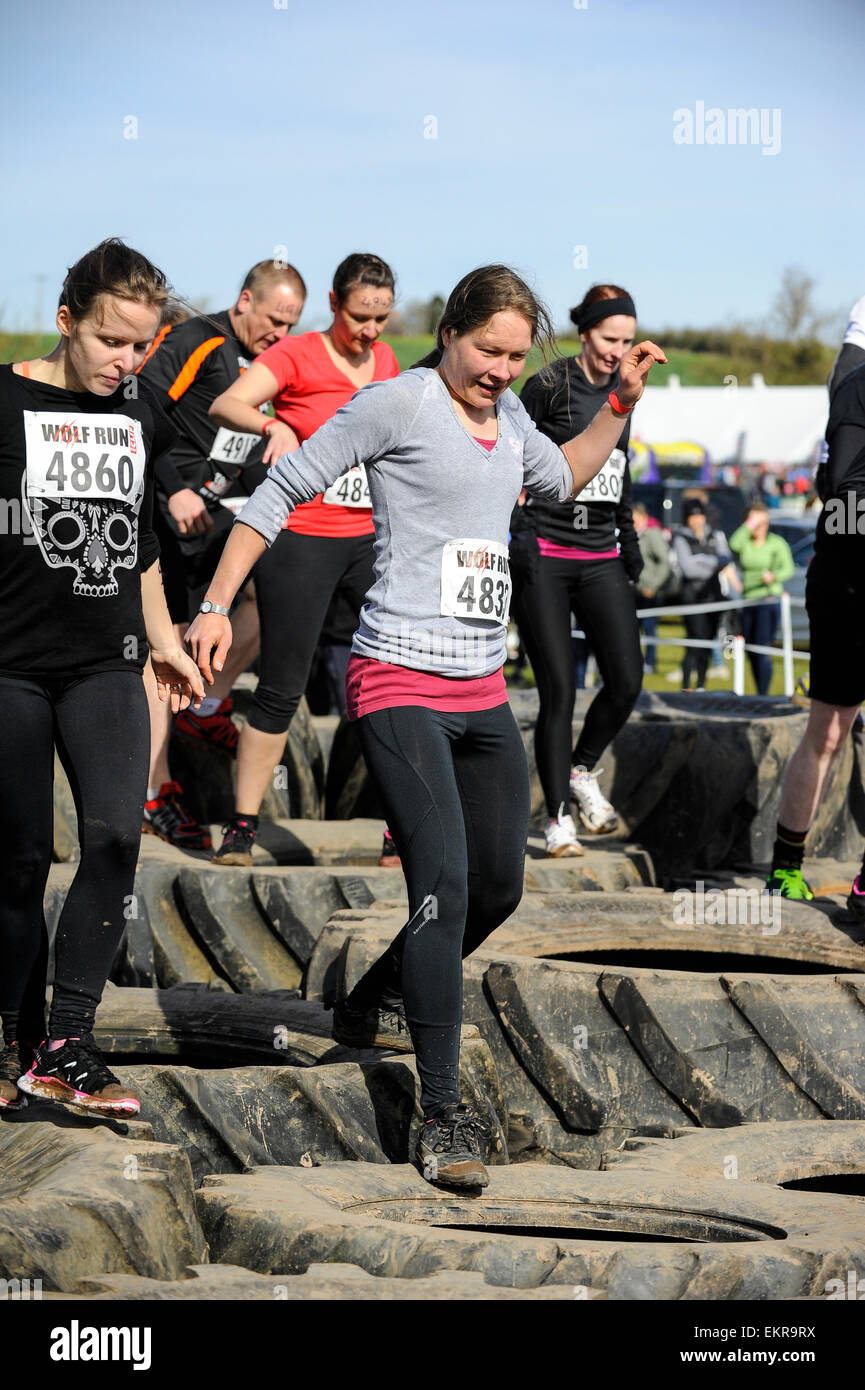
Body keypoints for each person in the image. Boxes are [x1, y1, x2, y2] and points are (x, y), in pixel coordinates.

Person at [185, 262, 666, 1188]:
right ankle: (439, 1115)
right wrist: (214, 603)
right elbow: (282, 490)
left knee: (498, 889)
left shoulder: (514, 416)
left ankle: (369, 999)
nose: (499, 369)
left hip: (481, 692)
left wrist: (618, 404)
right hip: (396, 679)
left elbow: (561, 479)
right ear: (448, 333)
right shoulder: (396, 405)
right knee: (440, 884)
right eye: (488, 351)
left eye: (516, 356)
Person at [0, 238, 204, 1115]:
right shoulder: (4, 396)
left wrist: (163, 639)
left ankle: (67, 1045)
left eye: (142, 346)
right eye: (111, 341)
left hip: (105, 662)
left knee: (117, 835)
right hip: (7, 667)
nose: (127, 361)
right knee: (15, 864)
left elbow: (143, 542)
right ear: (66, 320)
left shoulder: (136, 414)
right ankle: (11, 1040)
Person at [204, 253, 400, 868]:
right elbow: (227, 405)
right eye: (360, 317)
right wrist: (271, 427)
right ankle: (242, 826)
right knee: (283, 686)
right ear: (335, 306)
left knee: (396, 680)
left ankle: (400, 827)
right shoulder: (297, 355)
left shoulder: (388, 362)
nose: (370, 331)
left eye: (382, 318)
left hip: (370, 539)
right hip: (303, 538)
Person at [136, 260, 306, 850]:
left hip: (216, 518)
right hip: (165, 510)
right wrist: (172, 486)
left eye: (291, 325)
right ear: (245, 300)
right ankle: (155, 791)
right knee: (168, 642)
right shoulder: (199, 339)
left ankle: (205, 706)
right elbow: (139, 404)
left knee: (268, 599)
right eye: (274, 320)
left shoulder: (270, 361)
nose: (280, 334)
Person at [510, 284, 646, 856]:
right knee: (559, 690)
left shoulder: (626, 391)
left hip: (600, 555)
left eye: (627, 340)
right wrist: (515, 532)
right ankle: (557, 819)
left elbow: (617, 465)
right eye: (609, 338)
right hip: (545, 549)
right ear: (586, 333)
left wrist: (630, 534)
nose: (619, 350)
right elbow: (505, 446)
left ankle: (581, 770)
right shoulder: (548, 384)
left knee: (626, 679)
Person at [766, 360, 865, 904]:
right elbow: (849, 496)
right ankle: (785, 869)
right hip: (847, 580)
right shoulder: (859, 388)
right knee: (828, 731)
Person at [673, 498, 739, 691]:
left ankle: (701, 685)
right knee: (694, 640)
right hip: (692, 598)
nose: (696, 520)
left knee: (708, 642)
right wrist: (713, 563)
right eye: (692, 516)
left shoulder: (715, 535)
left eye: (699, 515)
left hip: (712, 595)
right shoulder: (681, 537)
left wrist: (703, 561)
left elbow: (725, 558)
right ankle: (686, 685)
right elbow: (688, 569)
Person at [729, 502, 794, 695]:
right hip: (749, 598)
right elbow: (734, 543)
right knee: (749, 648)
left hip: (768, 598)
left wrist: (774, 576)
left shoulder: (776, 543)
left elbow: (787, 568)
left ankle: (763, 692)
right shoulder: (746, 542)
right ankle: (758, 689)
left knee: (763, 646)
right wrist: (750, 523)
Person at [632, 500, 671, 673]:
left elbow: (664, 562)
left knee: (649, 628)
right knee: (634, 628)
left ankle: (650, 661)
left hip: (648, 590)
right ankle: (637, 661)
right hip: (635, 589)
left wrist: (654, 585)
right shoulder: (636, 533)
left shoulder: (652, 533)